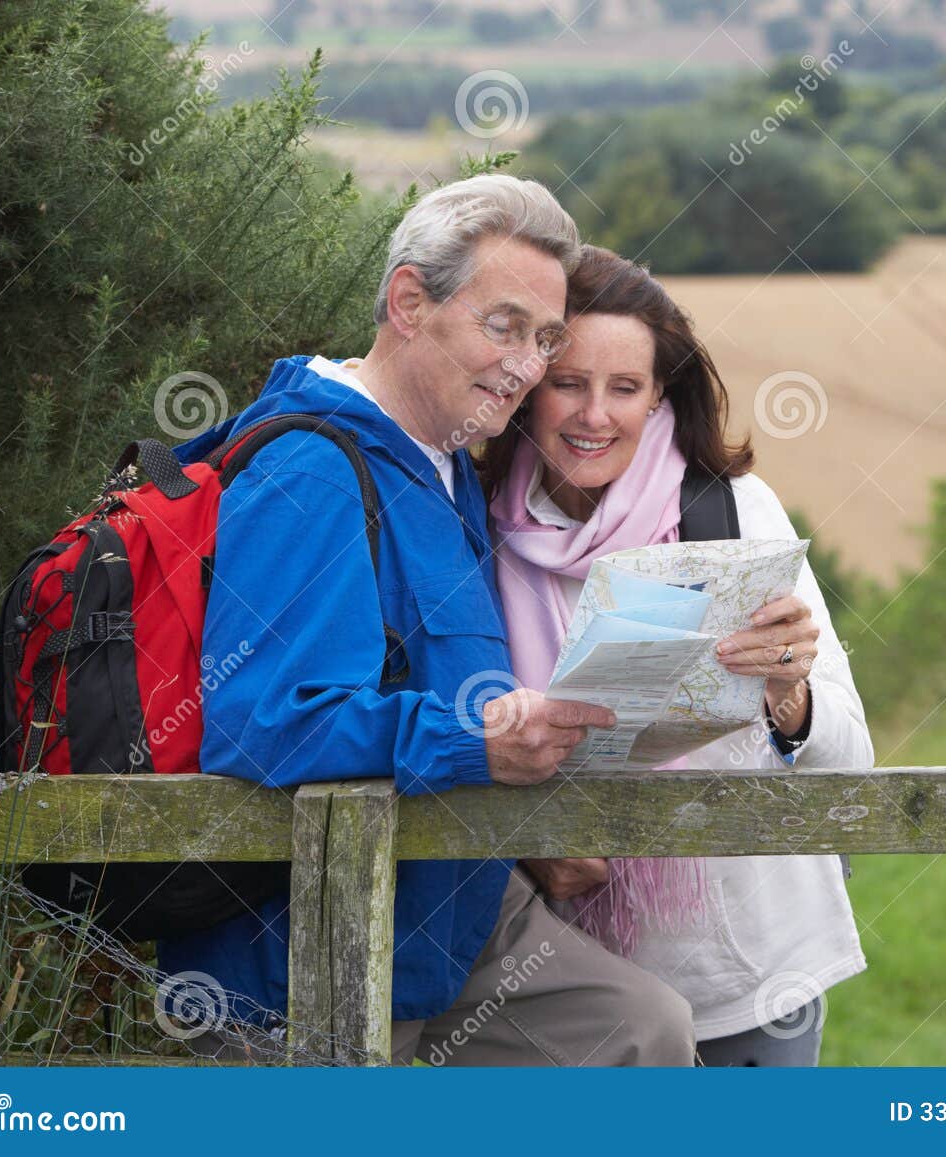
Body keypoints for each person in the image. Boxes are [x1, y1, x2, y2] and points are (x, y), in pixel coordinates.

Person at [157, 177, 695, 1066]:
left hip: (457, 917)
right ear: (409, 302)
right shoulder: (313, 470)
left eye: (545, 336)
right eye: (505, 325)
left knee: (640, 1032)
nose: (528, 365)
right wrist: (473, 741)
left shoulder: (446, 472)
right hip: (317, 949)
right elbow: (264, 722)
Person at [482, 245, 870, 1066]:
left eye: (625, 388)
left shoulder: (731, 510)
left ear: (662, 393)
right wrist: (524, 844)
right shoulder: (476, 529)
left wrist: (787, 694)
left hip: (753, 968)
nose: (595, 414)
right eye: (570, 382)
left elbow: (850, 755)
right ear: (526, 387)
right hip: (577, 983)